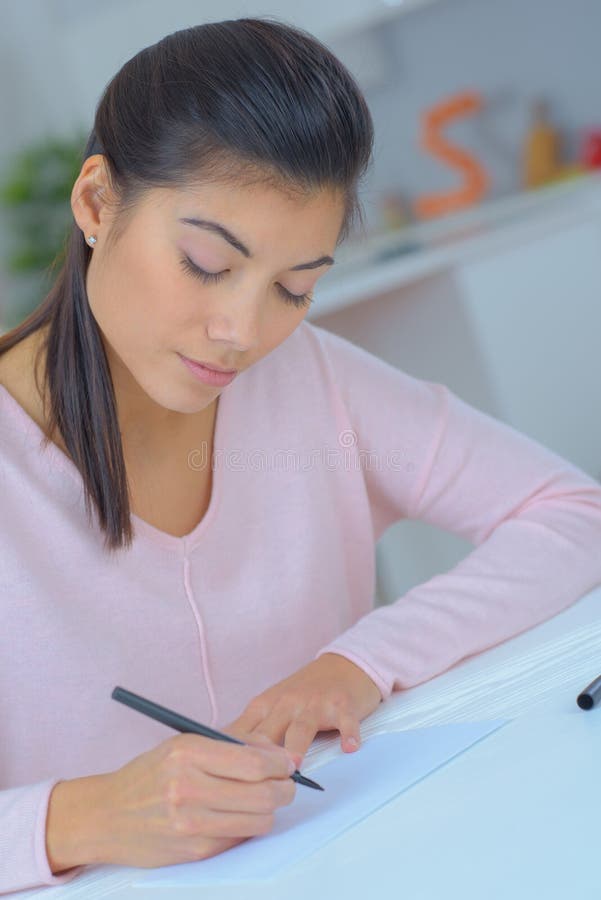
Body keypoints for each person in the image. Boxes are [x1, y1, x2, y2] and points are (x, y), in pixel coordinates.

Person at [1, 17, 601, 894]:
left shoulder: (307, 378)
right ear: (96, 204)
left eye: (293, 289)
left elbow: (570, 512)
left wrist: (358, 663)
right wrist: (80, 817)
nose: (241, 332)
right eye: (206, 263)